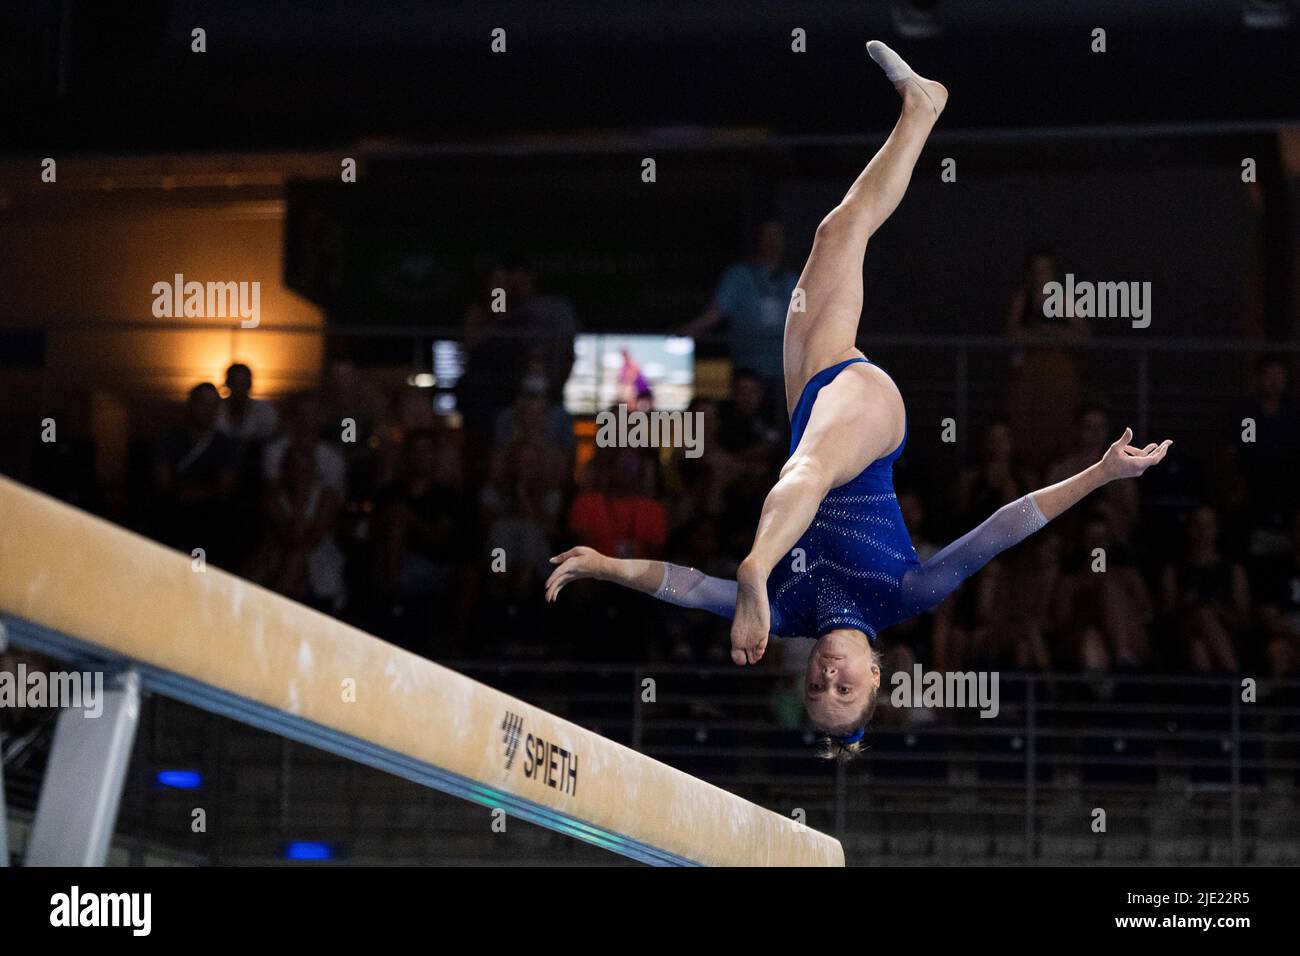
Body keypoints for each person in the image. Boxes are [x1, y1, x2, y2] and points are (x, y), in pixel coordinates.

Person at [543, 43, 1171, 759]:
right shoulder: (905, 595)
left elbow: (684, 585)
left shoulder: (790, 613)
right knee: (804, 473)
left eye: (817, 690)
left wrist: (605, 567)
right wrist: (1099, 473)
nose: (827, 678)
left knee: (837, 232)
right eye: (845, 690)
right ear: (878, 673)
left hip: (812, 400)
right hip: (870, 421)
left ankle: (921, 109)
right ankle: (754, 556)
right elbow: (1004, 527)